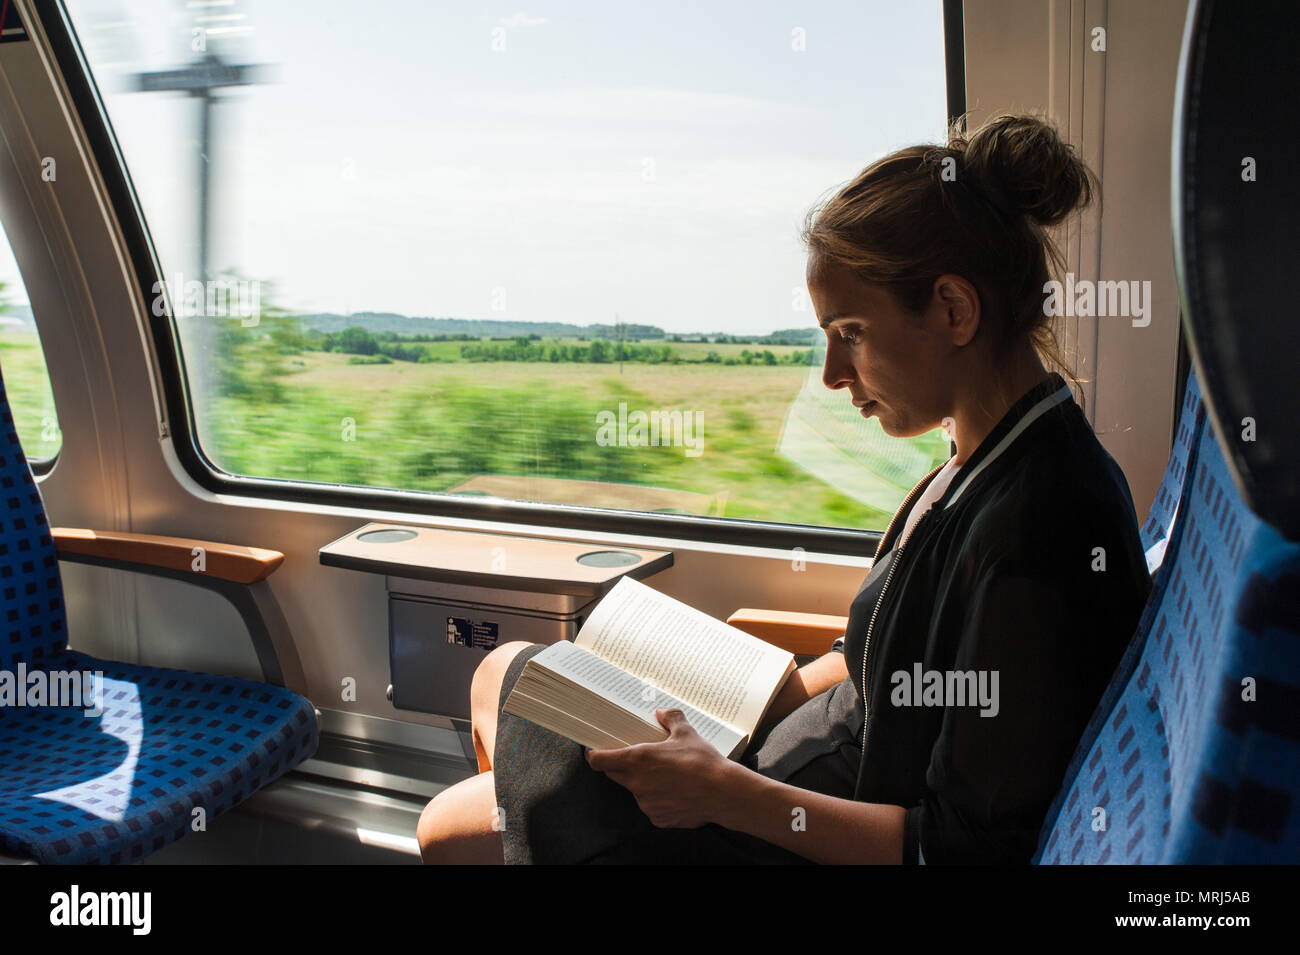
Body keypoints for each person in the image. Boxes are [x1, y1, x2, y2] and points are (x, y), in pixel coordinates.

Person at [416, 113, 1151, 864]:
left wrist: (721, 790)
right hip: (782, 752)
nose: (833, 375)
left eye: (852, 332)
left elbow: (959, 848)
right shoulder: (981, 451)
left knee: (444, 828)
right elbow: (892, 667)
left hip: (790, 820)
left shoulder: (1043, 530)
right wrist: (750, 694)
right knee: (502, 671)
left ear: (954, 310)